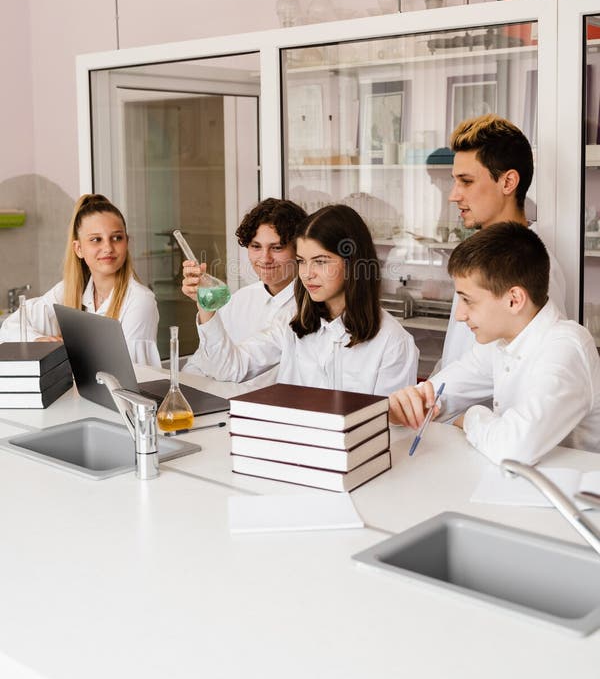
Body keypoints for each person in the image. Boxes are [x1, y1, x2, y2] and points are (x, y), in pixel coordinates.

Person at [389, 223, 600, 465]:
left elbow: (514, 448)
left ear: (514, 300)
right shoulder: (501, 342)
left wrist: (470, 416)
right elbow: (440, 394)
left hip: (571, 497)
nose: (460, 315)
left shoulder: (567, 347)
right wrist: (407, 406)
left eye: (468, 301)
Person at [186, 204, 418, 395]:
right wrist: (206, 304)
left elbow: (389, 429)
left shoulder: (393, 342)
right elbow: (230, 369)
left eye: (320, 261)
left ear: (352, 263)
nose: (307, 273)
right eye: (302, 261)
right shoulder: (292, 323)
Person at [441, 113, 567, 370]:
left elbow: (525, 373)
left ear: (508, 182)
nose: (453, 195)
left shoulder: (535, 268)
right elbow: (456, 359)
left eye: (466, 181)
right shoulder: (475, 255)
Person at [0, 193, 161, 367]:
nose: (108, 247)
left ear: (126, 242)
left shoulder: (140, 300)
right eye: (96, 239)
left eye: (116, 238)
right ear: (79, 249)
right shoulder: (70, 290)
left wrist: (66, 353)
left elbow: (135, 375)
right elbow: (10, 327)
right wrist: (39, 340)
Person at [181, 198, 307, 374]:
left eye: (277, 248)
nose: (265, 259)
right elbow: (199, 364)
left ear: (299, 250)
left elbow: (232, 368)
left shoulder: (307, 309)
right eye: (256, 246)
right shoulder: (240, 300)